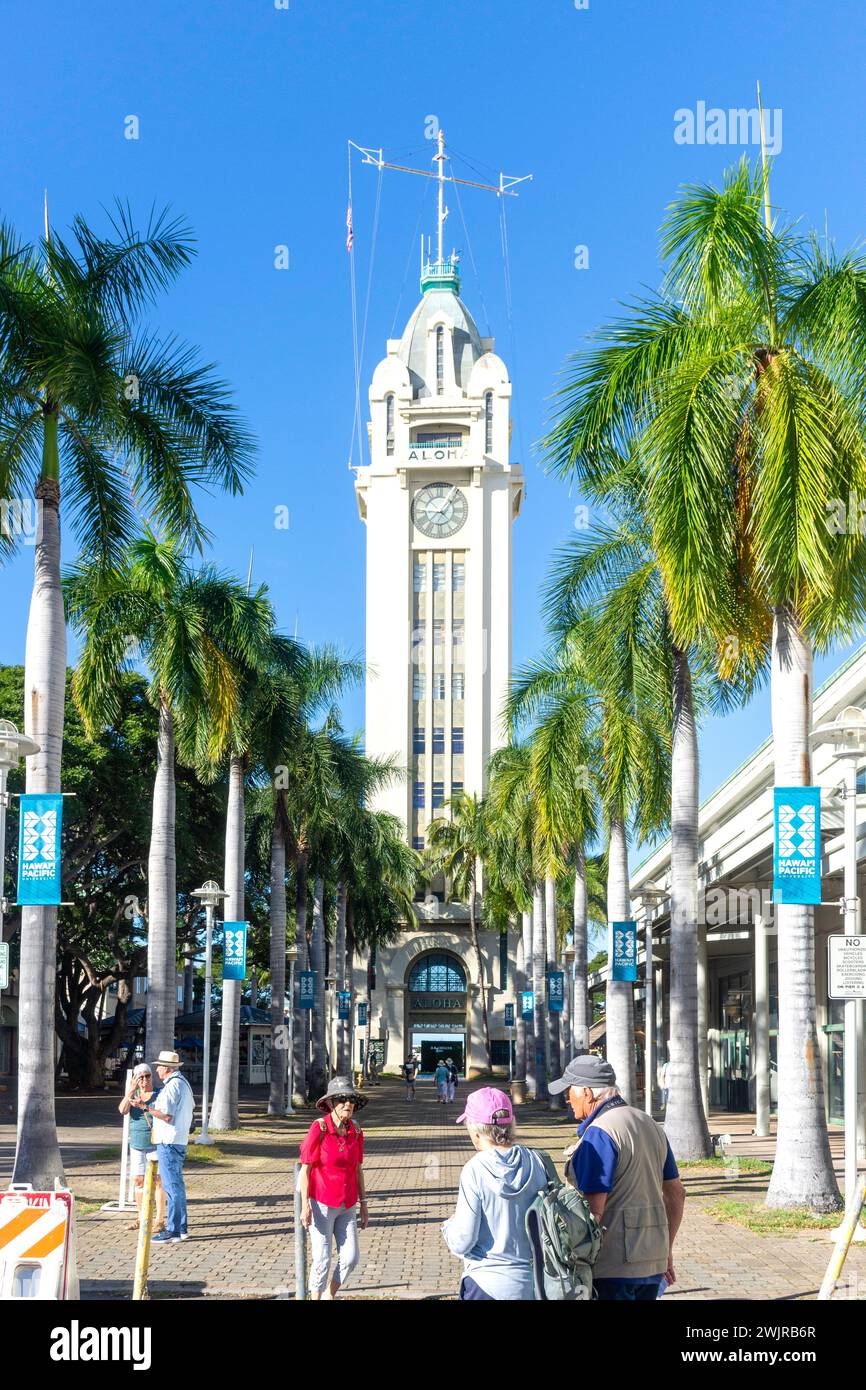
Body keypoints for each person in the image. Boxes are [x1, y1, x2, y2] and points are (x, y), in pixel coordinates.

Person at [549, 1055, 686, 1301]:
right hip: (653, 1261)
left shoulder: (600, 1133)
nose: (568, 1099)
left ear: (588, 1093)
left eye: (570, 1091)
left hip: (612, 1266)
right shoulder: (650, 1124)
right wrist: (666, 1250)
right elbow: (677, 1194)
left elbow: (593, 1213)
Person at [442, 1086, 548, 1300]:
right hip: (533, 1284)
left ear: (476, 1131)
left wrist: (448, 1227)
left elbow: (463, 1240)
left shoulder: (475, 1169)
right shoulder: (537, 1161)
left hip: (486, 1284)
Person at [299, 1076, 369, 1300]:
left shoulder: (356, 1130)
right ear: (330, 1104)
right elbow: (305, 1171)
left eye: (350, 1100)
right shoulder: (319, 1128)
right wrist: (304, 1206)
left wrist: (364, 1204)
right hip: (321, 1203)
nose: (347, 1104)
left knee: (350, 1257)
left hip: (347, 1204)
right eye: (340, 1099)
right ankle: (316, 1297)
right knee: (322, 1258)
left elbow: (358, 1169)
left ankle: (330, 1294)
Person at [144, 1050, 195, 1246]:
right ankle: (180, 1229)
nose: (157, 1070)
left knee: (171, 1186)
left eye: (159, 1066)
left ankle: (173, 1231)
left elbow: (167, 1115)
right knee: (177, 1186)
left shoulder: (173, 1086)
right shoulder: (183, 1084)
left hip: (169, 1140)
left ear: (167, 1068)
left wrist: (147, 1108)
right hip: (177, 1139)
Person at [118, 1063, 167, 1233]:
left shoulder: (159, 1094)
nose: (144, 1080)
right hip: (138, 1144)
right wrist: (131, 1090)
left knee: (159, 1181)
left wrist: (146, 1106)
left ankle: (160, 1219)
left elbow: (165, 1113)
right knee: (138, 1180)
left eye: (147, 1076)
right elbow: (122, 1110)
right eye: (141, 1077)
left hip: (155, 1142)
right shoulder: (133, 1094)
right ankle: (141, 1217)